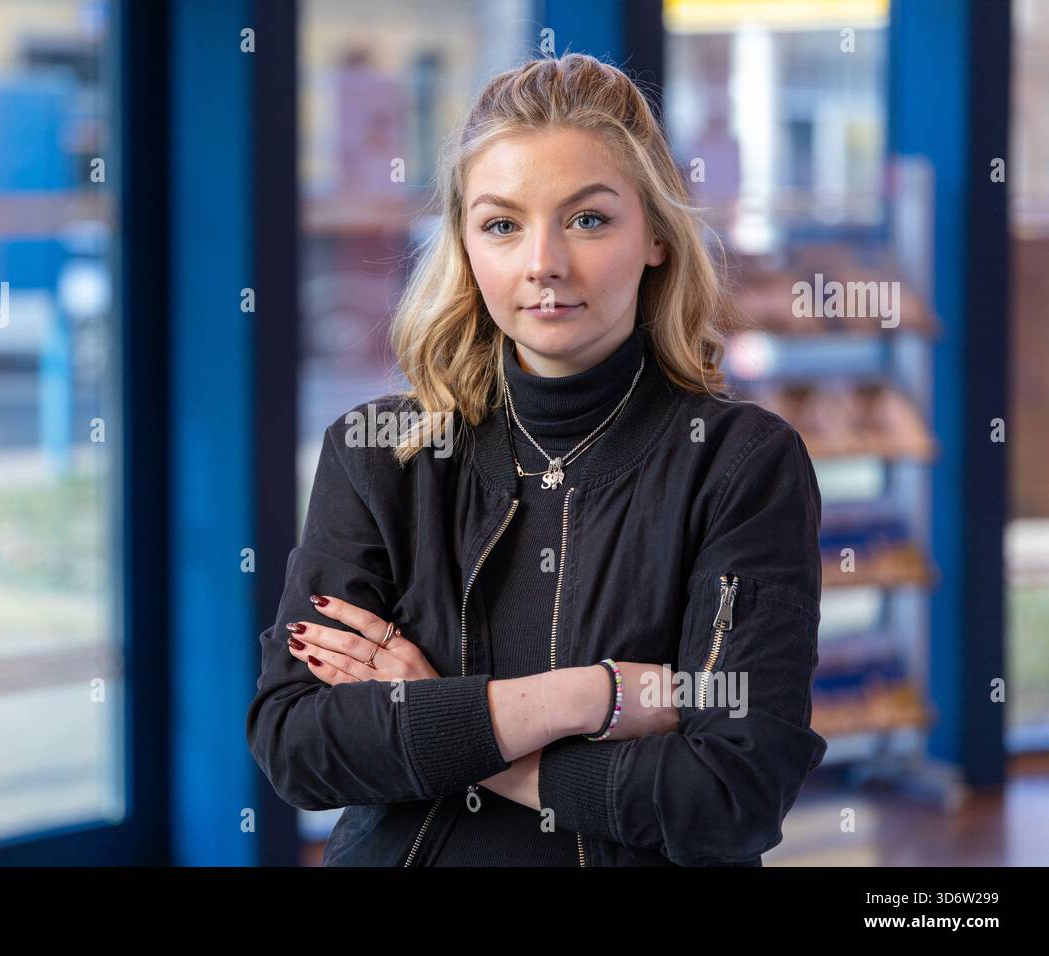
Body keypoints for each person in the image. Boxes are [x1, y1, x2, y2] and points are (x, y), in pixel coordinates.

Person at [246, 52, 826, 867]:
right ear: (465, 245)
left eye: (588, 219)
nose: (542, 263)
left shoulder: (741, 464)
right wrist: (589, 696)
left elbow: (730, 794)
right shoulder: (379, 452)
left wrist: (432, 715)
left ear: (656, 235)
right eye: (502, 224)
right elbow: (297, 745)